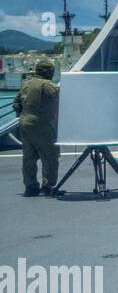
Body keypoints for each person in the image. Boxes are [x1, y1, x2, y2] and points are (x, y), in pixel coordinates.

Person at [16, 57, 60, 197]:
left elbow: (16, 103)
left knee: (29, 156)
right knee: (50, 155)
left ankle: (30, 187)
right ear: (50, 72)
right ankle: (48, 186)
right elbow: (57, 93)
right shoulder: (46, 84)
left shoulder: (27, 83)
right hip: (40, 124)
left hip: (24, 122)